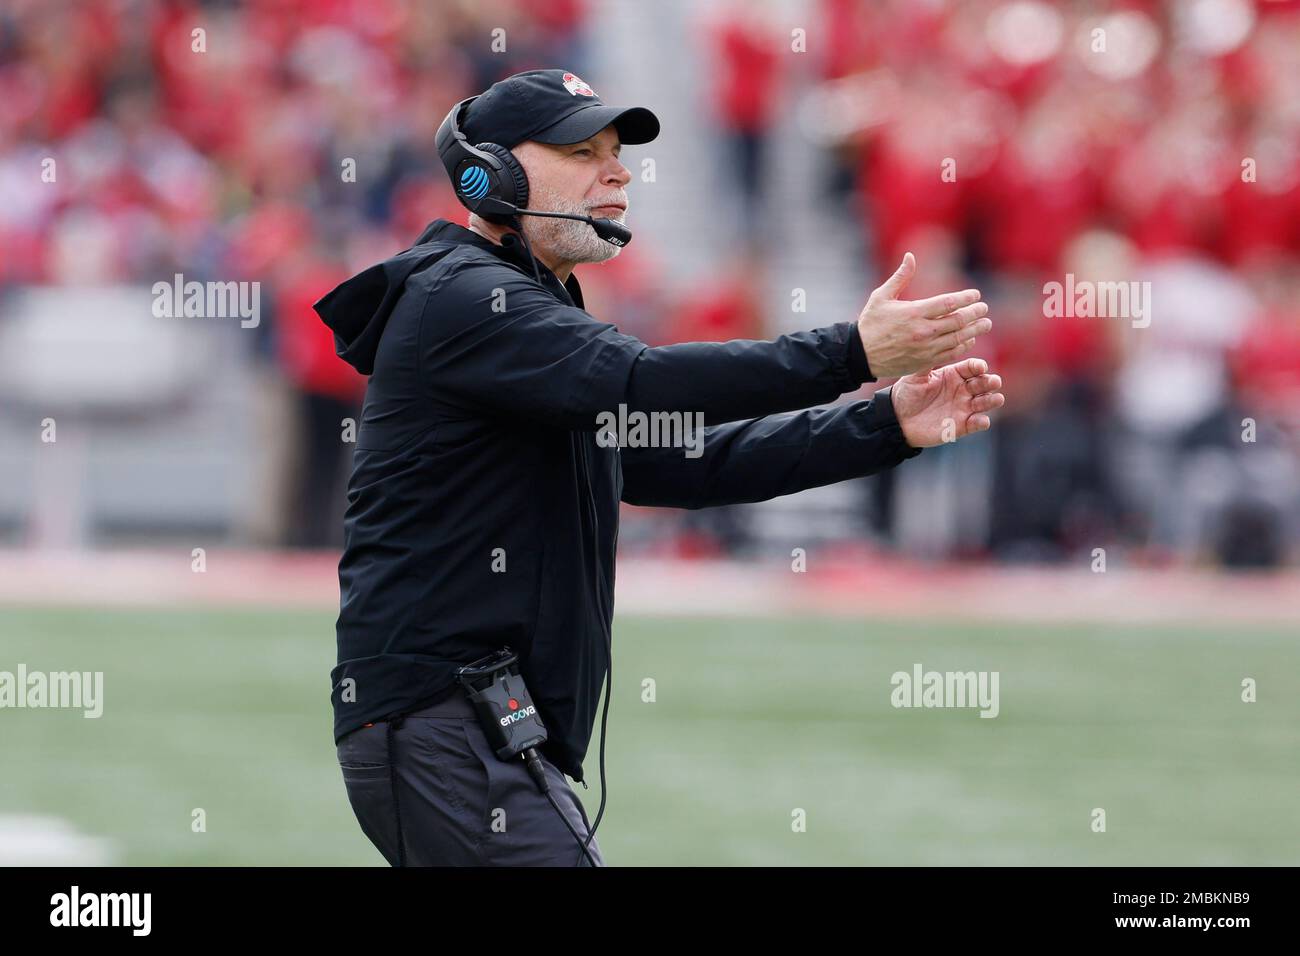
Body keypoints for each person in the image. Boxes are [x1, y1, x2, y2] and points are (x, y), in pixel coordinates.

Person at [314, 69, 1003, 866]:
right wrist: (850, 352)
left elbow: (687, 464)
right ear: (490, 172)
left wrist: (884, 424)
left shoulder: (515, 306)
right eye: (583, 150)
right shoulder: (470, 297)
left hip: (466, 723)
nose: (618, 170)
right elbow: (645, 381)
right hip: (439, 722)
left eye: (617, 151)